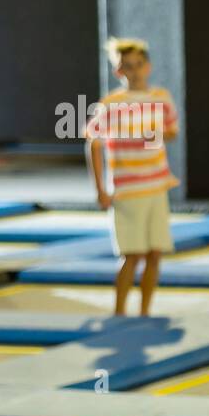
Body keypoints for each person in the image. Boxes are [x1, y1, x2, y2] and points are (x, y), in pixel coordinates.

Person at [86, 37, 180, 317]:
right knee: (132, 255)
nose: (135, 71)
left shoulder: (160, 97)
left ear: (148, 67)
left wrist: (156, 133)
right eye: (127, 66)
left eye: (139, 65)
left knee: (154, 253)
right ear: (119, 72)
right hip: (127, 190)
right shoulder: (112, 103)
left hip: (156, 185)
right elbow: (93, 142)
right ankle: (119, 313)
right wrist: (100, 188)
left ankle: (145, 312)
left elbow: (173, 131)